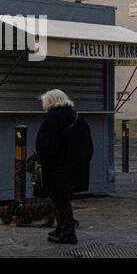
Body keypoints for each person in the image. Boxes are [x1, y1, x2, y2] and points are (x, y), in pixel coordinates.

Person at [33, 89, 94, 245]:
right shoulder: (78, 118)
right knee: (62, 198)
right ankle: (61, 228)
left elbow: (44, 146)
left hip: (57, 169)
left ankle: (67, 232)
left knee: (60, 199)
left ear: (50, 102)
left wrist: (41, 160)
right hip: (76, 168)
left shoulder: (52, 120)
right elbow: (89, 147)